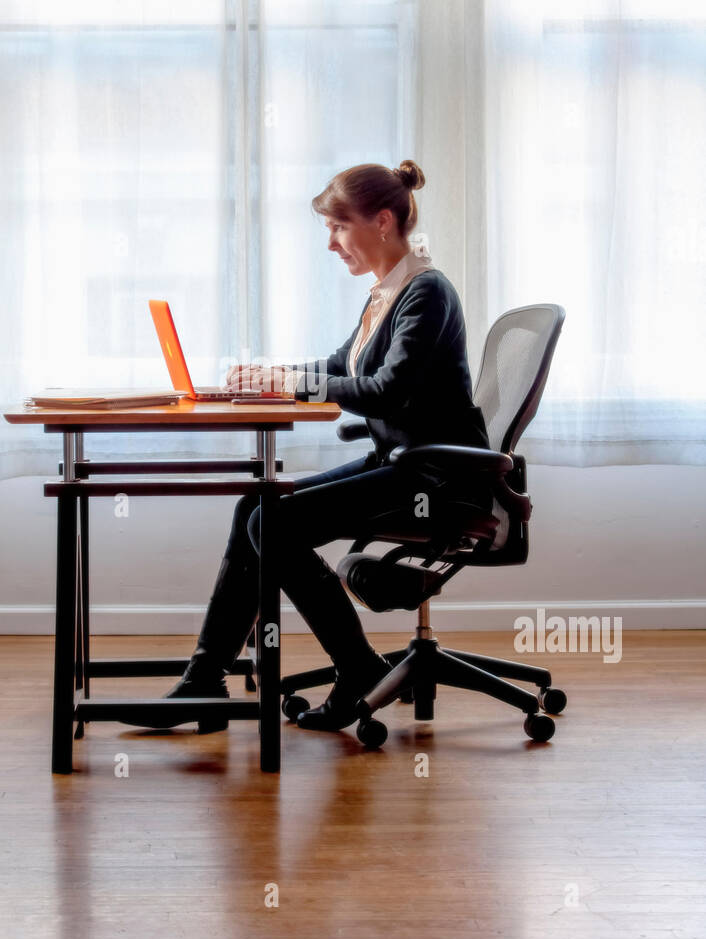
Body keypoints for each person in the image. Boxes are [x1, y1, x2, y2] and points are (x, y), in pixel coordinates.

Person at [164, 160, 492, 732]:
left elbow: (386, 391)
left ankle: (358, 666)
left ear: (383, 221)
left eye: (339, 227)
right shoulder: (385, 294)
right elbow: (341, 367)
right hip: (400, 465)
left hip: (437, 477)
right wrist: (269, 376)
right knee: (254, 508)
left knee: (272, 525)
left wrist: (293, 385)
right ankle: (205, 679)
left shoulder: (426, 292)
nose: (333, 243)